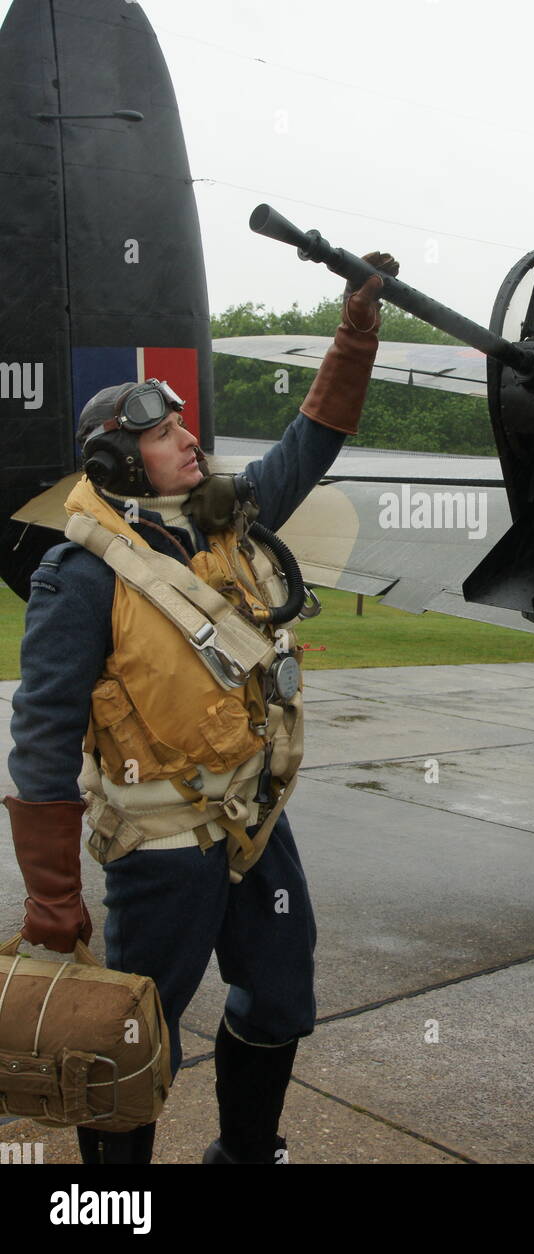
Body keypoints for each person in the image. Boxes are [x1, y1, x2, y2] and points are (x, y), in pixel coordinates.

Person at [3, 255, 397, 1164]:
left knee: (281, 1001)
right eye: (163, 430)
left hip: (257, 828)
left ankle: (247, 1156)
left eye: (184, 422)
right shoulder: (80, 574)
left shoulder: (231, 522)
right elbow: (42, 736)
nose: (188, 435)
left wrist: (357, 332)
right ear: (112, 458)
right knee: (128, 1039)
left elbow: (318, 434)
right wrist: (54, 895)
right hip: (162, 847)